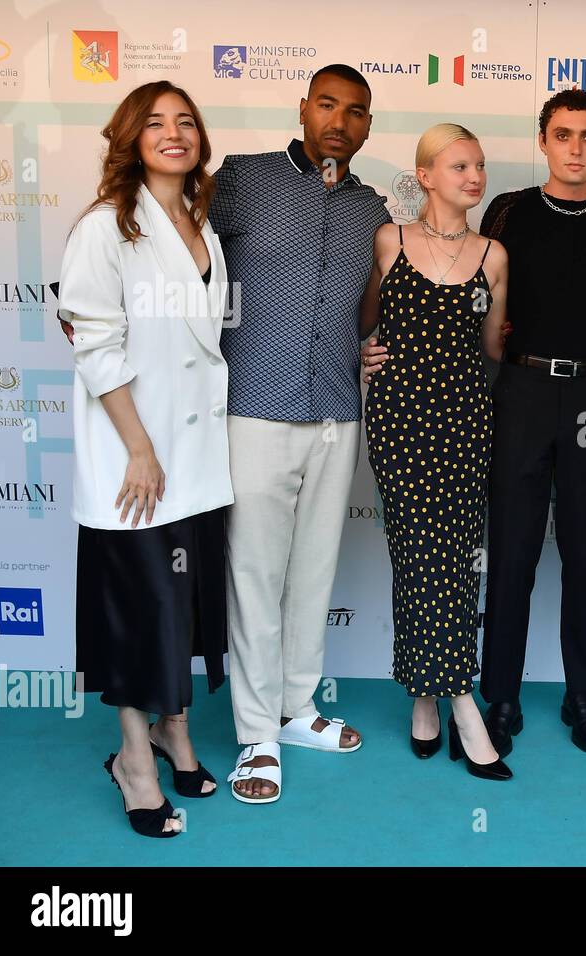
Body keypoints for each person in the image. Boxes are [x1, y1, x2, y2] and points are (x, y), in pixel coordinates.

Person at [366, 89, 586, 756]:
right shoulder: (506, 214)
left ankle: (582, 695)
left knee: (585, 549)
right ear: (543, 140)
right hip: (520, 389)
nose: (576, 148)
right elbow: (474, 316)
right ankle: (501, 696)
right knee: (511, 549)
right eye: (563, 134)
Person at [210, 65, 391, 803]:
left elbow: (371, 306)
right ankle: (256, 734)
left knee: (314, 570)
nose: (339, 122)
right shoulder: (242, 180)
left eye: (355, 111)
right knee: (255, 574)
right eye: (327, 105)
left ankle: (295, 709)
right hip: (253, 403)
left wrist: (374, 344)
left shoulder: (372, 209)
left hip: (337, 410)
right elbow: (175, 251)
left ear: (368, 127)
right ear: (303, 109)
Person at [59, 81, 228, 836]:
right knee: (139, 610)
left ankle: (174, 733)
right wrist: (138, 448)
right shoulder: (105, 226)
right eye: (155, 123)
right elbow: (96, 347)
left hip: (196, 456)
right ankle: (134, 758)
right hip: (137, 456)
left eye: (185, 121)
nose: (173, 133)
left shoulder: (201, 222)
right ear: (130, 137)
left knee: (180, 609)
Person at [359, 123, 511, 780]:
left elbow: (494, 347)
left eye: (479, 166)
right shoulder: (389, 240)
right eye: (459, 166)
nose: (474, 177)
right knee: (415, 557)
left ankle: (425, 695)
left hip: (465, 420)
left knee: (453, 562)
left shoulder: (494, 255)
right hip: (399, 420)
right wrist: (366, 351)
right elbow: (366, 320)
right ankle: (462, 705)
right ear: (424, 177)